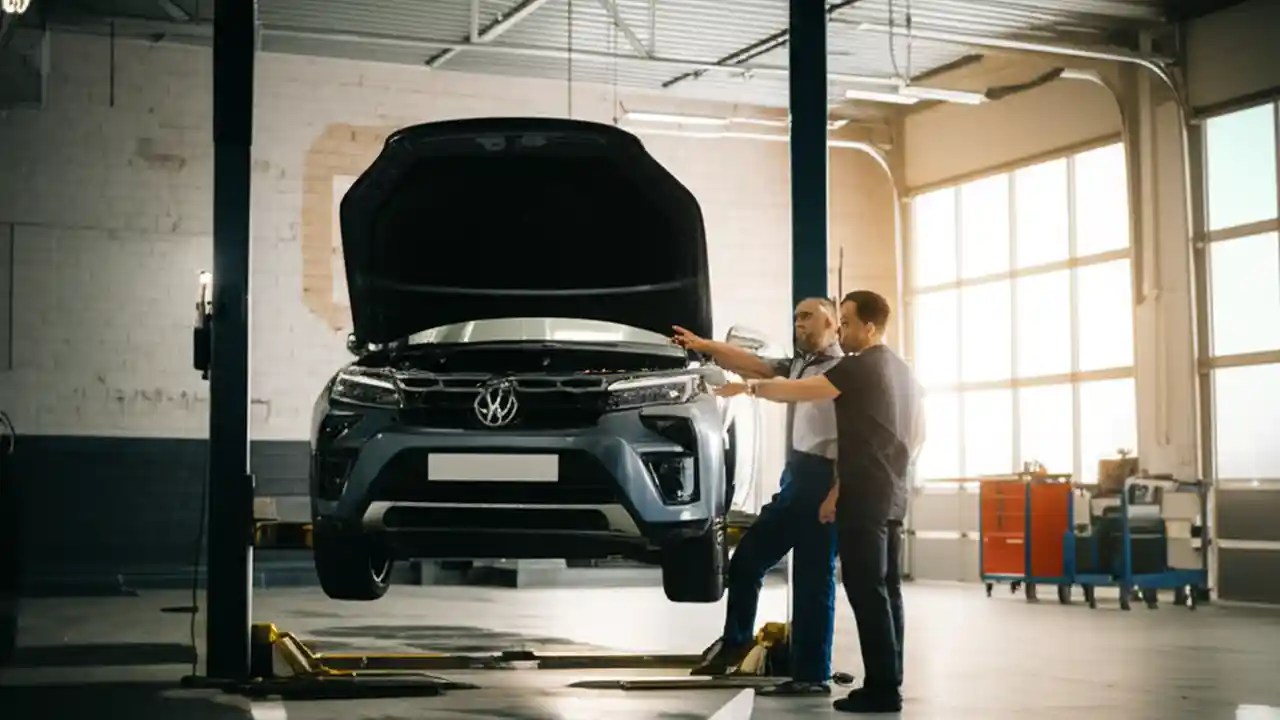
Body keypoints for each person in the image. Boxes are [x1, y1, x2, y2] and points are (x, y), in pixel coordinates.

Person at [715, 290, 924, 714]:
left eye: (846, 323)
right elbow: (919, 435)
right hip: (892, 496)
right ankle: (890, 682)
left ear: (869, 326)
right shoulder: (904, 372)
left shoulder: (860, 367)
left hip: (863, 497)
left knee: (867, 594)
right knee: (887, 592)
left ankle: (881, 690)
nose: (843, 331)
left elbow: (800, 391)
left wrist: (749, 389)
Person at [671, 297, 844, 696]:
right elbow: (757, 364)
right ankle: (736, 643)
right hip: (796, 478)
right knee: (748, 559)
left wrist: (749, 389)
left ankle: (812, 674)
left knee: (814, 580)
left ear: (833, 322)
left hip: (824, 478)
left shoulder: (843, 370)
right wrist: (705, 345)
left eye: (808, 317)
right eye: (796, 317)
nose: (799, 323)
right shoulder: (801, 363)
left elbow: (782, 389)